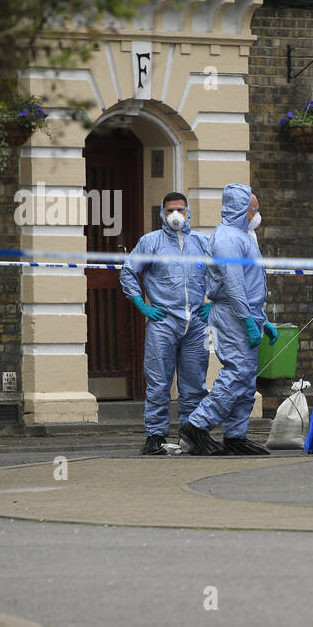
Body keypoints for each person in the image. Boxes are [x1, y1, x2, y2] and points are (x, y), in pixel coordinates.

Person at [179, 183, 277, 456]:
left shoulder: (241, 236)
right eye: (253, 209)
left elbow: (250, 283)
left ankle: (235, 435)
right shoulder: (228, 239)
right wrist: (247, 319)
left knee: (246, 380)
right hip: (233, 315)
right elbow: (233, 284)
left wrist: (262, 319)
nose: (256, 214)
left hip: (244, 314)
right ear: (242, 208)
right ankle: (197, 425)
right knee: (236, 373)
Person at [119, 192, 212, 455]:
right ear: (162, 213)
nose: (176, 215)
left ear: (188, 211)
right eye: (171, 210)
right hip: (163, 322)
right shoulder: (151, 242)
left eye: (180, 209)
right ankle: (155, 436)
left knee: (194, 383)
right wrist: (142, 304)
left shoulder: (202, 242)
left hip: (195, 322)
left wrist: (212, 303)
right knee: (159, 383)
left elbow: (221, 273)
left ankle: (192, 434)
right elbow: (128, 272)